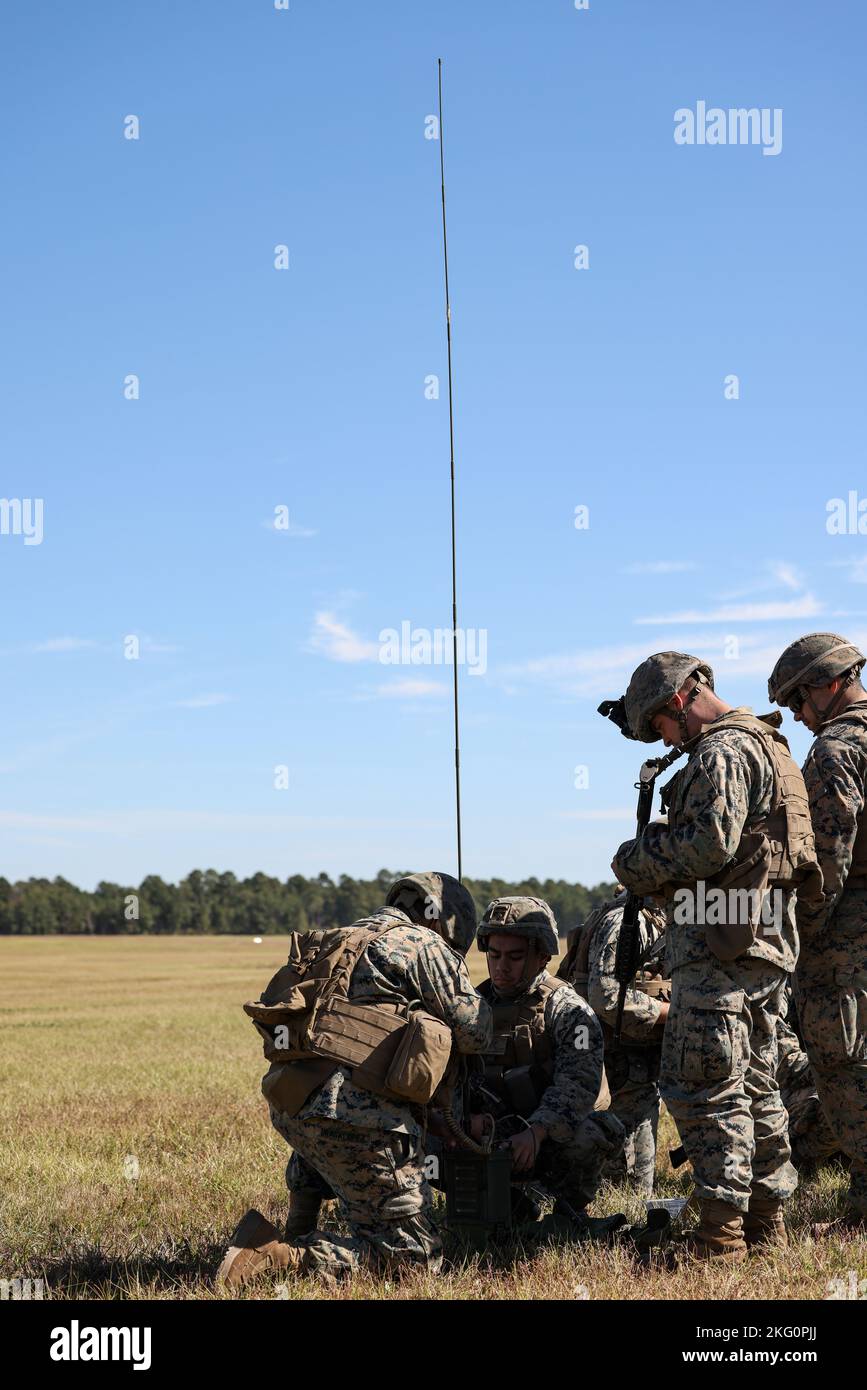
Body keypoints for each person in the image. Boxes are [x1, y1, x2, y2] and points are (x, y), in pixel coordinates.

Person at [603, 652, 820, 1260]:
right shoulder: (772, 747)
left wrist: (635, 860)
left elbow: (707, 845)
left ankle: (720, 1236)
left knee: (706, 1091)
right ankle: (764, 1223)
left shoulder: (721, 752)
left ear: (677, 702)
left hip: (719, 945)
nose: (664, 739)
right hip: (765, 941)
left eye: (660, 727)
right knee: (756, 1086)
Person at [217, 871, 491, 1286]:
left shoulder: (339, 936)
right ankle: (278, 1257)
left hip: (295, 1103)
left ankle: (298, 1227)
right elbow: (473, 1030)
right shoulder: (423, 943)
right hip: (362, 1121)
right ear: (441, 921)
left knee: (337, 1149)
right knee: (413, 1261)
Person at [768, 633, 867, 1228]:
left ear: (827, 685)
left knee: (842, 1060)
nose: (800, 718)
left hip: (847, 929)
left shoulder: (836, 750)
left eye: (799, 701)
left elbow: (827, 858)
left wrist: (798, 933)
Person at [469, 896, 625, 1233]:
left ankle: (569, 1209)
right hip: (497, 1132)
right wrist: (467, 1120)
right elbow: (455, 1077)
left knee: (595, 1130)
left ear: (542, 956)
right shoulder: (473, 1007)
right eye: (493, 956)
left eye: (514, 957)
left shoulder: (569, 1010)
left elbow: (578, 1084)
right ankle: (504, 1204)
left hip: (552, 1134)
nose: (501, 967)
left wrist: (537, 1132)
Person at [558, 890, 668, 1195]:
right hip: (620, 1068)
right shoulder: (628, 921)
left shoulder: (650, 916)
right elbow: (605, 995)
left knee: (630, 1187)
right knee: (627, 1191)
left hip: (636, 1067)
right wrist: (670, 1012)